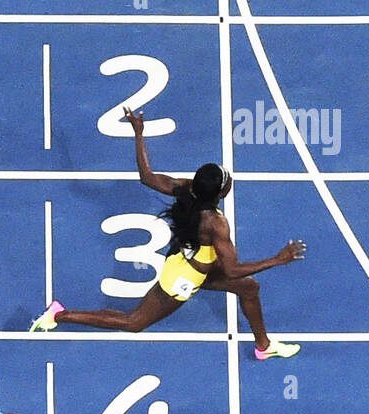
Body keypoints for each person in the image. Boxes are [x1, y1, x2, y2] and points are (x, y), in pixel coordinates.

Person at [30, 107, 306, 360]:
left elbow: (147, 177)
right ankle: (59, 314)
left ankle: (263, 346)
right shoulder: (216, 224)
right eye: (227, 181)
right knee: (133, 322)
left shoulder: (185, 188)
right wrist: (278, 259)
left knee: (249, 288)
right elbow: (232, 269)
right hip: (184, 277)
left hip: (194, 258)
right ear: (221, 193)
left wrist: (139, 133)